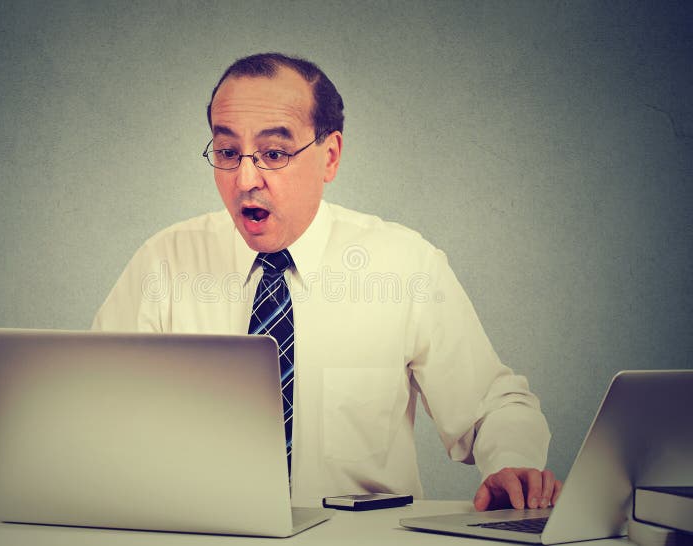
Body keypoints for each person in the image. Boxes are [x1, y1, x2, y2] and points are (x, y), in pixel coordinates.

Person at [92, 52, 562, 511]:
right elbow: (91, 407)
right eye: (228, 152)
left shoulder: (403, 265)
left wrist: (512, 463)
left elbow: (490, 406)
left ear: (330, 157)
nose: (245, 179)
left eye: (274, 153)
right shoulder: (165, 263)